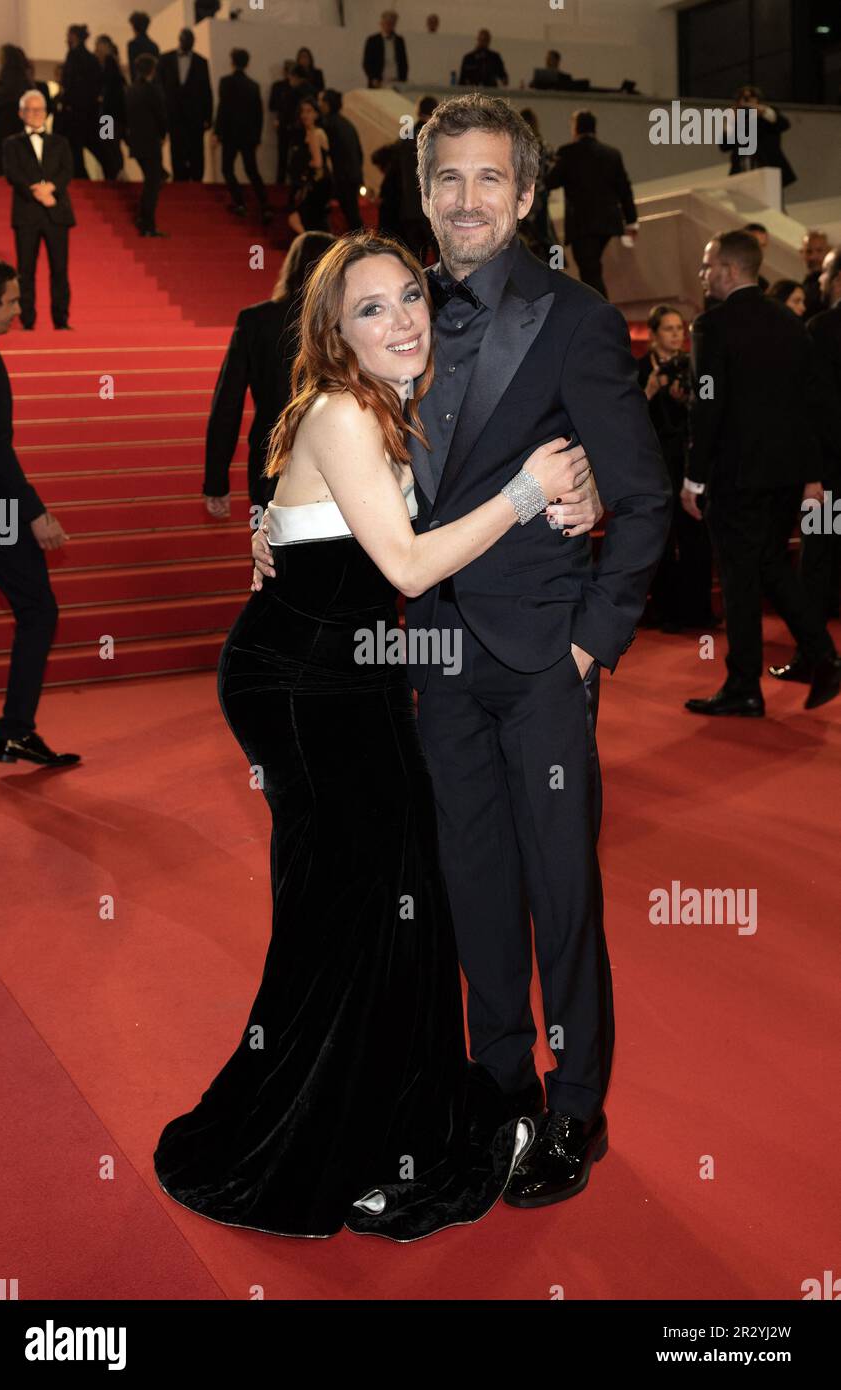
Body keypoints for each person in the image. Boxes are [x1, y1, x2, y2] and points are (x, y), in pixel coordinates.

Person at [254, 94, 672, 1208]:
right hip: (429, 661)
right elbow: (339, 452)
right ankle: (495, 1091)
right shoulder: (397, 317)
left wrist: (589, 648)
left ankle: (573, 1101)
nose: (468, 200)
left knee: (560, 890)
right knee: (471, 887)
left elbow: (638, 499)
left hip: (542, 662)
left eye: (492, 179)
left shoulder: (574, 317)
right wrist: (277, 527)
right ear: (422, 194)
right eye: (448, 180)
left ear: (527, 195)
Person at [154, 229, 597, 1239]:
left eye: (408, 296)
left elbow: (326, 517)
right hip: (305, 689)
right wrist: (526, 492)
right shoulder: (348, 409)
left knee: (391, 892)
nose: (401, 318)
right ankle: (313, 1133)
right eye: (371, 308)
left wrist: (568, 494)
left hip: (348, 677)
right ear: (333, 331)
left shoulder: (385, 404)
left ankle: (376, 1118)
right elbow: (402, 566)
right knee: (352, 901)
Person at [682, 231, 840, 716]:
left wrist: (693, 477)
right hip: (786, 476)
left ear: (730, 269)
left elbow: (706, 404)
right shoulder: (793, 324)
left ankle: (746, 685)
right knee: (769, 565)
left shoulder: (713, 325)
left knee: (738, 577)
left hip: (737, 476)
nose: (703, 273)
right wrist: (812, 474)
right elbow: (813, 404)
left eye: (708, 265)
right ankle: (819, 659)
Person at [0, 257, 78, 767]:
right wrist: (34, 512)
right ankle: (16, 730)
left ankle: (14, 730)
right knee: (39, 610)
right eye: (12, 301)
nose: (18, 310)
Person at [204, 231, 335, 517]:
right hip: (335, 457)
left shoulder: (255, 321)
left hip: (270, 458)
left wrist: (216, 479)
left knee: (267, 551)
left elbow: (227, 403)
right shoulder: (341, 323)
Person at [771, 245, 841, 681]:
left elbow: (810, 409)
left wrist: (810, 474)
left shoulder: (821, 329)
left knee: (815, 560)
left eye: (825, 275)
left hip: (829, 475)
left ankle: (816, 656)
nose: (817, 282)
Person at [637, 305, 715, 631]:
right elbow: (627, 416)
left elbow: (706, 413)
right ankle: (664, 611)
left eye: (678, 329)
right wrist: (652, 389)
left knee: (695, 534)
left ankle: (697, 610)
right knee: (662, 538)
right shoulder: (639, 368)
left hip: (686, 459)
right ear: (653, 335)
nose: (675, 335)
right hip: (654, 462)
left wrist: (688, 399)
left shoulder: (693, 367)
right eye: (668, 329)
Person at [545, 109, 638, 299]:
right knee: (593, 268)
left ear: (575, 128)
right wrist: (632, 221)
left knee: (590, 272)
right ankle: (599, 312)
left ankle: (601, 315)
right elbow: (624, 189)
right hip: (608, 223)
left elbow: (550, 182)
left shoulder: (568, 153)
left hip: (582, 225)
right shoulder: (612, 154)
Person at [2, 90, 75, 330]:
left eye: (39, 110)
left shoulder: (60, 142)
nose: (35, 114)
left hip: (57, 213)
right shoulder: (11, 143)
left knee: (60, 269)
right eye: (30, 110)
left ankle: (61, 320)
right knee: (26, 270)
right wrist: (37, 193)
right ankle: (28, 320)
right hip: (27, 214)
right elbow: (12, 173)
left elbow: (67, 170)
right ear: (21, 113)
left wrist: (51, 188)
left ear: (46, 113)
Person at [213, 48, 271, 223]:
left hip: (230, 134)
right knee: (252, 170)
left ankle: (240, 202)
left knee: (227, 169)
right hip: (248, 136)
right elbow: (258, 114)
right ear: (247, 63)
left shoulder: (225, 82)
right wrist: (257, 137)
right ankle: (264, 204)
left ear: (232, 62)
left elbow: (222, 109)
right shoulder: (253, 86)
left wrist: (217, 132)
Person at [158, 28, 212, 181]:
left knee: (196, 149)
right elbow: (160, 88)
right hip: (173, 113)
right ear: (179, 40)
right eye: (185, 40)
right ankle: (180, 179)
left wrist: (208, 116)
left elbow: (206, 90)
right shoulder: (165, 59)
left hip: (195, 114)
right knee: (177, 149)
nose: (188, 43)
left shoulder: (201, 62)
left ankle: (196, 179)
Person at [0, 45, 51, 176]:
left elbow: (7, 93)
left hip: (7, 118)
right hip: (17, 119)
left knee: (4, 148)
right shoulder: (22, 77)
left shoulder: (8, 75)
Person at [720, 85, 796, 191]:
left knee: (771, 206)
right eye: (743, 98)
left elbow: (784, 124)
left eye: (751, 97)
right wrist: (730, 122)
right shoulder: (738, 120)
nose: (747, 101)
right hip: (743, 173)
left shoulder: (767, 116)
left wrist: (762, 111)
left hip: (767, 172)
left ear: (758, 100)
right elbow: (724, 146)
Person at [125, 54, 168, 236]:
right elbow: (161, 115)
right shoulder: (152, 90)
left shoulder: (130, 90)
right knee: (153, 183)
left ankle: (144, 219)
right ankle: (147, 223)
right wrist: (163, 134)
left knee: (152, 180)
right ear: (152, 70)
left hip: (136, 142)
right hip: (150, 142)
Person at [392, 94, 437, 262]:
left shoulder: (406, 136)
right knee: (442, 260)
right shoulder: (438, 136)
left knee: (415, 260)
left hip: (409, 208)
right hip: (432, 209)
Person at [56, 24, 104, 179]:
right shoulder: (92, 59)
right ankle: (111, 171)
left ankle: (82, 176)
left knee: (77, 146)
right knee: (96, 144)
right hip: (94, 112)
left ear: (74, 36)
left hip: (78, 111)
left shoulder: (74, 56)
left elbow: (70, 83)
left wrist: (66, 102)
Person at [318, 89, 363, 232]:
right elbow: (359, 152)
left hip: (342, 176)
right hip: (353, 174)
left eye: (321, 101)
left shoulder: (328, 124)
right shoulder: (347, 124)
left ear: (327, 104)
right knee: (352, 213)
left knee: (351, 214)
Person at [286, 97, 332, 235]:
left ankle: (309, 242)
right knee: (314, 221)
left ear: (317, 114)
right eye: (302, 111)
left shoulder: (314, 133)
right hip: (321, 182)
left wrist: (304, 165)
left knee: (297, 219)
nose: (305, 115)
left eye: (309, 111)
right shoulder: (317, 132)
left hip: (316, 184)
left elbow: (317, 162)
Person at [519, 106, 557, 253]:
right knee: (548, 232)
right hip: (541, 193)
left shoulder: (519, 147)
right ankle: (557, 264)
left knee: (526, 233)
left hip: (524, 194)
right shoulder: (544, 145)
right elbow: (554, 165)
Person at [95, 35, 127, 180]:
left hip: (108, 114)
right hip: (112, 114)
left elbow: (109, 89)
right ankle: (116, 171)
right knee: (110, 143)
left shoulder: (109, 63)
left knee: (109, 143)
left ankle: (116, 172)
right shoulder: (112, 64)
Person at [363, 10, 408, 89]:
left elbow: (403, 61)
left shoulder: (399, 40)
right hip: (378, 82)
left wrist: (403, 79)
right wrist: (373, 78)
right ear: (381, 23)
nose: (389, 25)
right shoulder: (372, 40)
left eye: (392, 23)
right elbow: (367, 62)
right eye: (387, 22)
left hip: (396, 82)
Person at [268, 60, 295, 184]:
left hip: (295, 125)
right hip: (284, 124)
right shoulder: (279, 87)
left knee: (294, 156)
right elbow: (273, 105)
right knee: (282, 156)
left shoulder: (296, 88)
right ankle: (281, 182)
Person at [800, 230, 830, 321]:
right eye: (808, 251)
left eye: (819, 250)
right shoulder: (807, 282)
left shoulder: (832, 283)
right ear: (802, 253)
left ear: (828, 251)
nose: (813, 257)